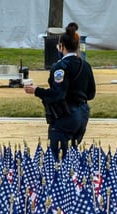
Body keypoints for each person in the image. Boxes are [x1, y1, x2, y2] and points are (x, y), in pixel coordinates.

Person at [24, 22, 96, 159]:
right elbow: (91, 94)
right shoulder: (85, 66)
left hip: (65, 115)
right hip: (82, 115)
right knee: (72, 155)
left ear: (62, 46)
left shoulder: (61, 67)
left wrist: (37, 91)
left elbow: (58, 95)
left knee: (57, 157)